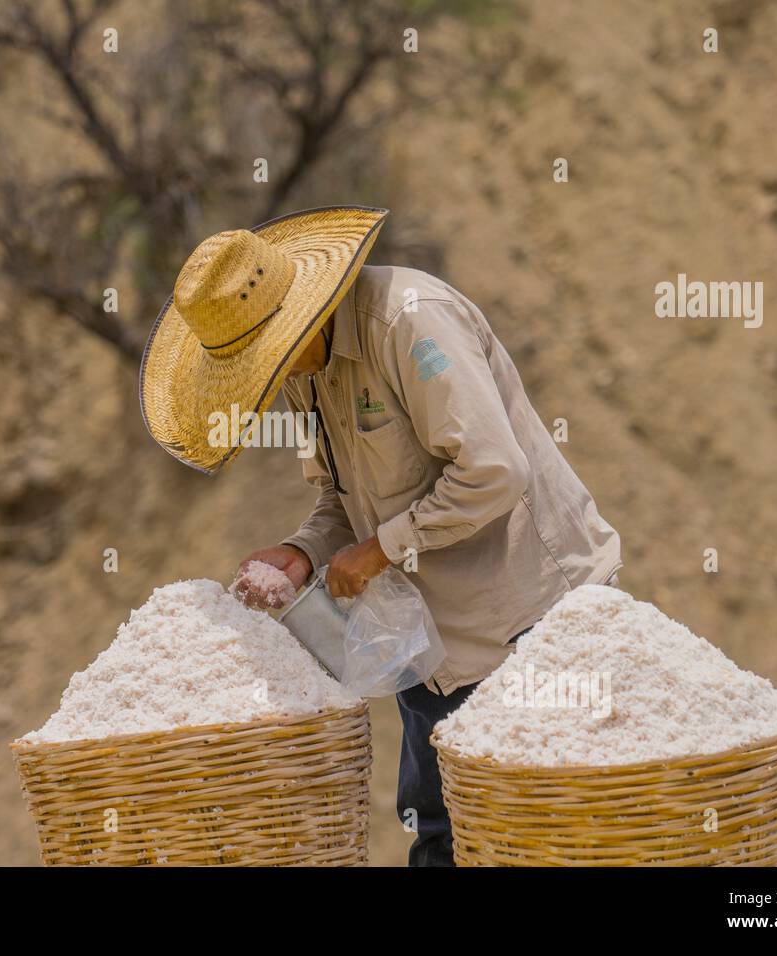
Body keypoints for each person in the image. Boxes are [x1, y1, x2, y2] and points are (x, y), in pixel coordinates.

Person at [139, 205, 621, 866]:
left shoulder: (408, 320)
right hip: (431, 646)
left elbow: (493, 471)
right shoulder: (306, 375)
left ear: (300, 318)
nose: (271, 380)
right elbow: (343, 495)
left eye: (266, 362)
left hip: (528, 627)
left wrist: (379, 550)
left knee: (546, 838)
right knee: (440, 836)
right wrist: (304, 554)